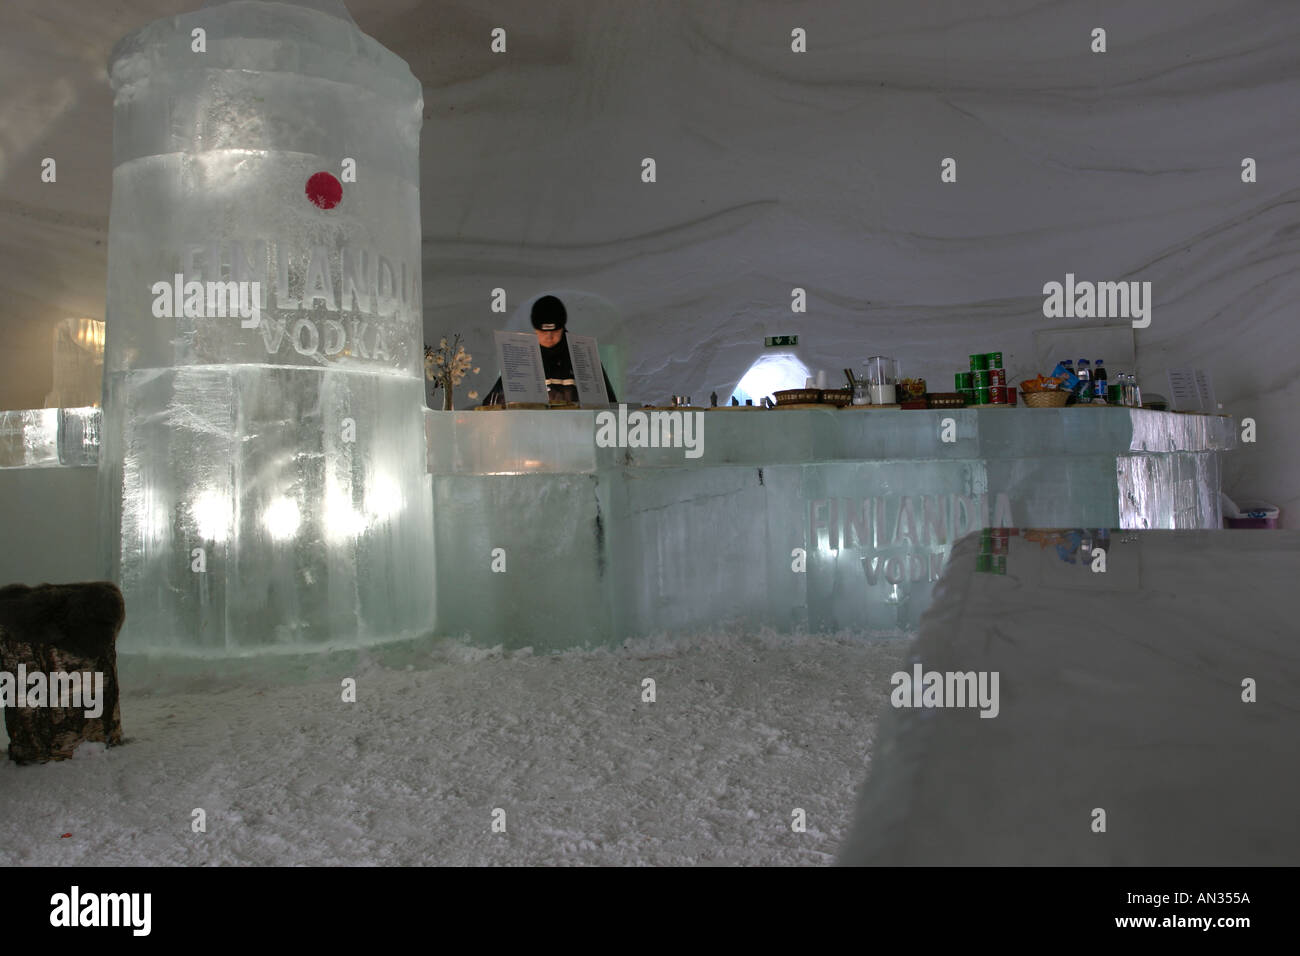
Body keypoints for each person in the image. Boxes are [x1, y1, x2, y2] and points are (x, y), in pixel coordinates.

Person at [480, 295, 617, 407]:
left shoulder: (582, 354)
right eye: (543, 331)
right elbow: (491, 403)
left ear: (562, 328)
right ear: (535, 329)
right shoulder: (522, 357)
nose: (549, 336)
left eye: (554, 331)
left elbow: (608, 404)